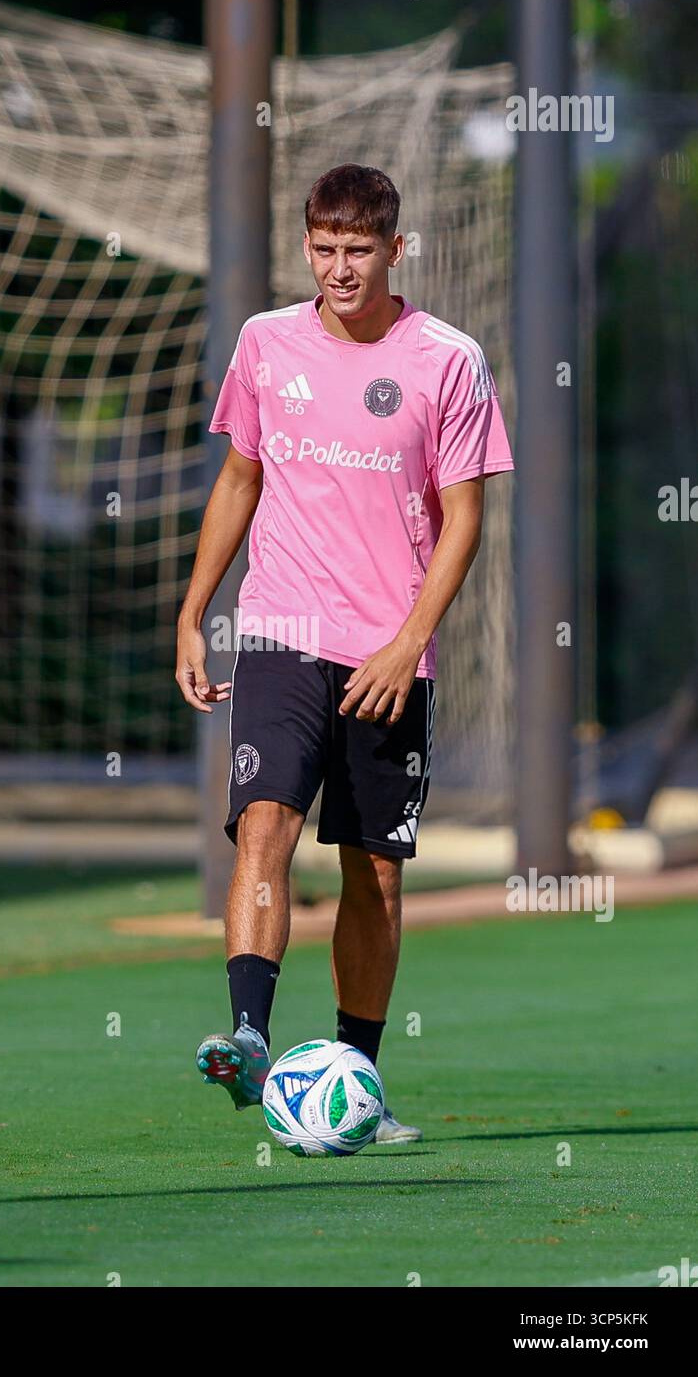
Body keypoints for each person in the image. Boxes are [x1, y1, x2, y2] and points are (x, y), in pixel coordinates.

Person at [176, 163, 514, 1141]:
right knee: (264, 822)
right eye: (323, 249)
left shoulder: (448, 360)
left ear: (394, 249)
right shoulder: (264, 343)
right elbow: (239, 480)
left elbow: (463, 519)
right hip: (280, 628)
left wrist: (408, 643)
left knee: (374, 874)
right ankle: (248, 1034)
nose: (339, 268)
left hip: (388, 656)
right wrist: (193, 612)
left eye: (358, 249)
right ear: (306, 247)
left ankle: (356, 1077)